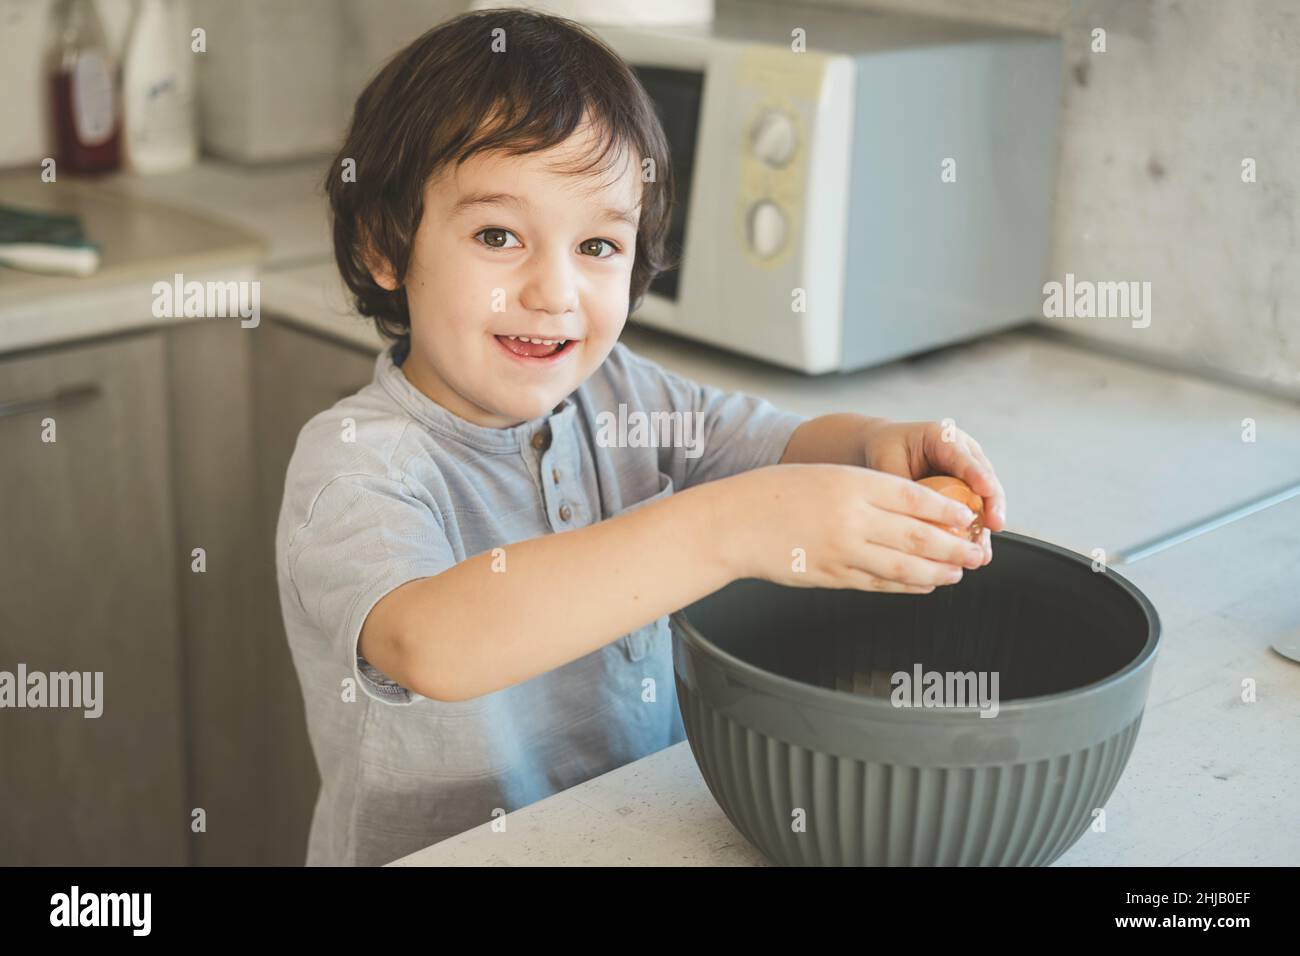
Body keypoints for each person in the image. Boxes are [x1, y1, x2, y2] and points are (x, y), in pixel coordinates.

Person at [276, 8, 1006, 866]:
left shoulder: (624, 395)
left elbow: (782, 446)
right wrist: (728, 527)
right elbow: (431, 642)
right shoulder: (357, 467)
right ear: (384, 246)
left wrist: (881, 441)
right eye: (498, 235)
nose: (554, 289)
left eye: (596, 243)